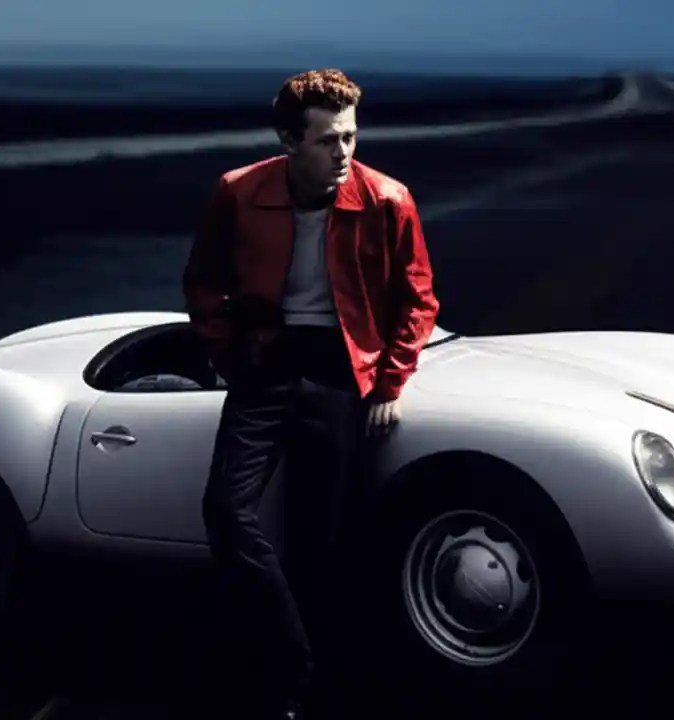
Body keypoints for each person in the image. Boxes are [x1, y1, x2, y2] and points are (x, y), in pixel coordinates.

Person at [183, 68, 440, 719]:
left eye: (351, 137)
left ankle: (308, 691)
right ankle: (291, 656)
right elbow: (204, 281)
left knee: (321, 539)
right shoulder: (238, 193)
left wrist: (389, 381)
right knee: (225, 512)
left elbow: (418, 299)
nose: (344, 153)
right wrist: (223, 353)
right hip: (264, 363)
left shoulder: (386, 199)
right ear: (289, 141)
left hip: (341, 371)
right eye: (328, 141)